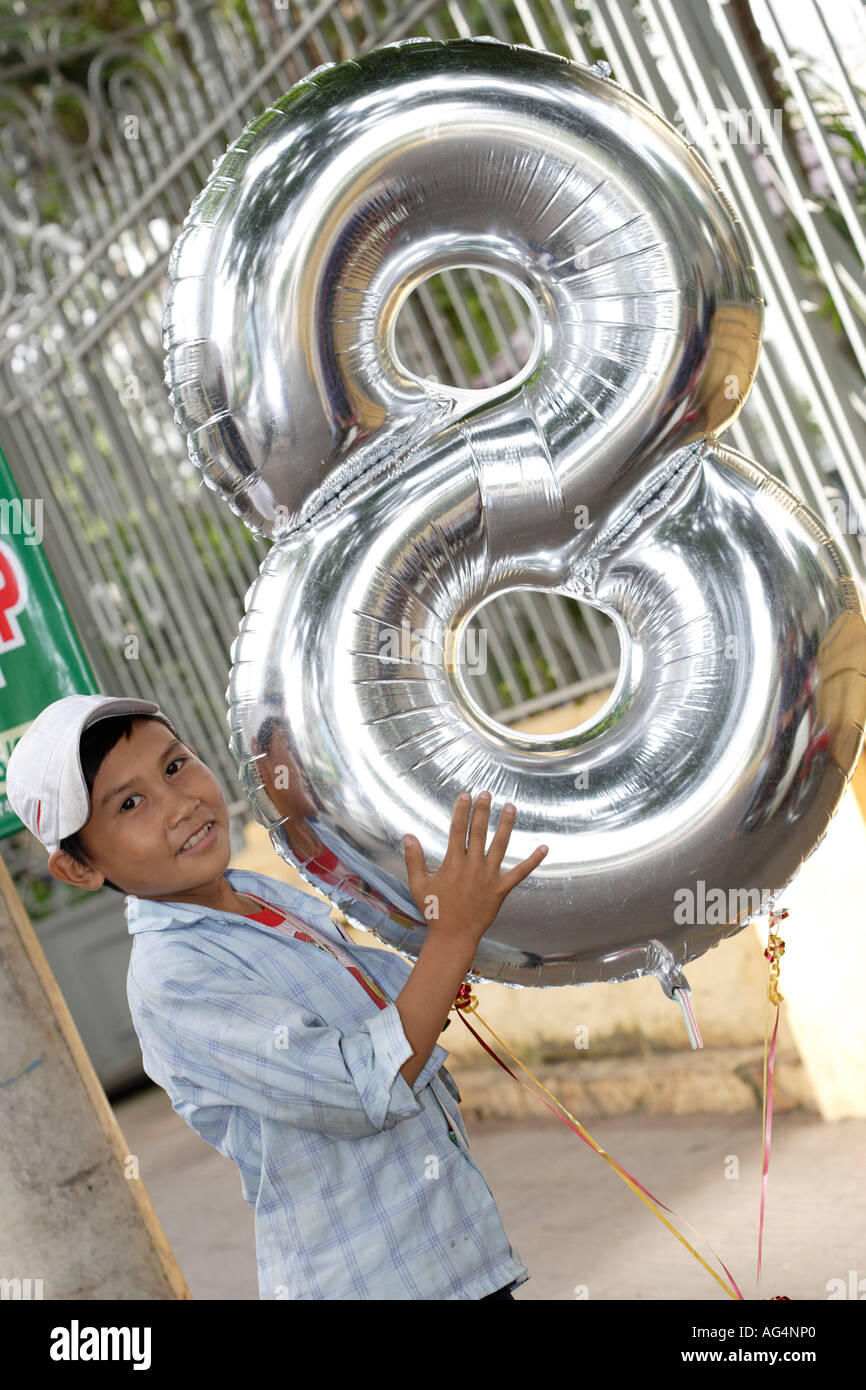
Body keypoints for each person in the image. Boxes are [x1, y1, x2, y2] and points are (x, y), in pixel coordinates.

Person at [6, 694, 549, 1300]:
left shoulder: (257, 899)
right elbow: (361, 1085)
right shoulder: (172, 978)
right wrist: (451, 938)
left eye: (174, 765)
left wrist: (444, 932)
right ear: (80, 869)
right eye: (130, 803)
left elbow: (389, 1007)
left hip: (448, 1258)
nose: (181, 804)